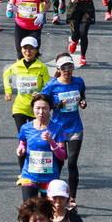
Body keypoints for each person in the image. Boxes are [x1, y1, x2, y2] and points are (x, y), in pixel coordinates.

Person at [41, 57, 88, 201]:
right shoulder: (51, 86)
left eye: (70, 67)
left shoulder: (78, 82)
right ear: (58, 70)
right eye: (63, 68)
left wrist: (83, 103)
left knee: (72, 163)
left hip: (75, 128)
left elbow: (82, 97)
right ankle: (52, 194)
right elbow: (42, 102)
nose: (67, 71)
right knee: (58, 163)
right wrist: (56, 106)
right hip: (58, 130)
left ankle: (72, 197)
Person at [16, 93, 66, 202]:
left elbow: (62, 156)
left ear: (50, 109)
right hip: (29, 175)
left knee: (46, 212)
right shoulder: (26, 128)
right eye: (37, 108)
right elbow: (22, 143)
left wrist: (51, 142)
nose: (41, 112)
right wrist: (21, 149)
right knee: (29, 210)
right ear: (32, 109)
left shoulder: (57, 129)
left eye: (44, 108)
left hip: (49, 177)